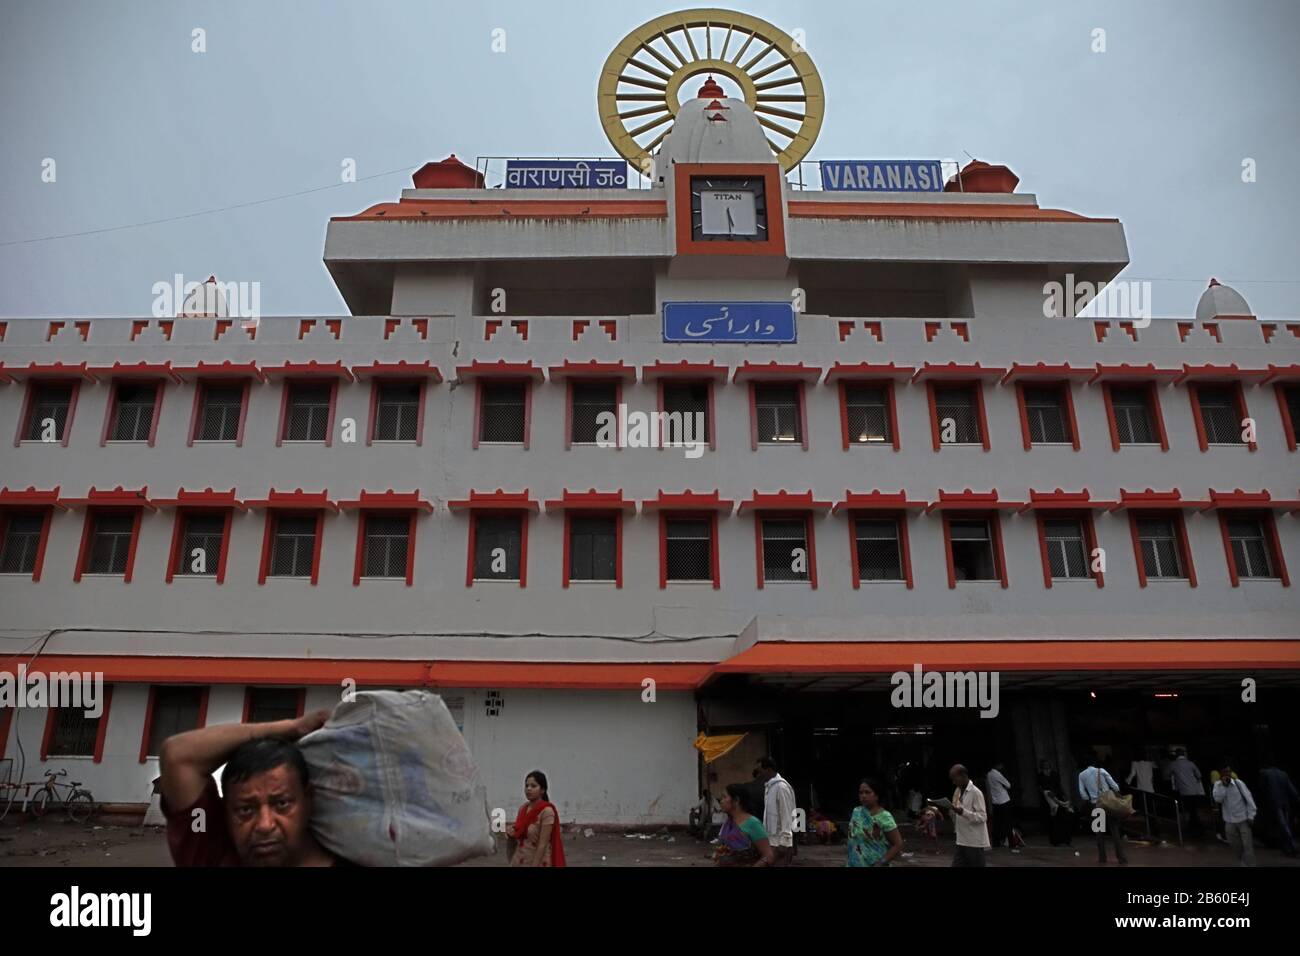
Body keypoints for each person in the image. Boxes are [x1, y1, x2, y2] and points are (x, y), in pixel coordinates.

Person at [158, 709, 344, 867]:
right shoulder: (210, 854)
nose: (265, 825)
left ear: (308, 799)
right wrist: (291, 727)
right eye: (245, 809)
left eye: (282, 804)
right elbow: (177, 755)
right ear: (226, 814)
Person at [923, 764, 989, 867]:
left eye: (955, 779)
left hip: (973, 842)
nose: (954, 782)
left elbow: (982, 817)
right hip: (961, 840)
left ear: (963, 775)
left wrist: (962, 812)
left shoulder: (976, 793)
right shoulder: (958, 791)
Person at [1077, 753, 1127, 864]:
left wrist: (1090, 799)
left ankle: (1102, 858)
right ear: (1093, 762)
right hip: (1108, 804)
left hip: (1096, 805)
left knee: (1099, 833)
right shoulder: (1101, 771)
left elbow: (1082, 793)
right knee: (1115, 831)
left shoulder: (1081, 775)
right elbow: (1115, 787)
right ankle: (1121, 857)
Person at [509, 770, 566, 867]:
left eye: (533, 786)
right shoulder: (523, 809)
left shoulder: (547, 812)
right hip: (519, 860)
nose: (528, 789)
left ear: (542, 790)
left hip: (538, 862)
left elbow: (542, 845)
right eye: (527, 786)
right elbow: (519, 834)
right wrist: (510, 833)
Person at [713, 782, 775, 866]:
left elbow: (768, 856)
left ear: (736, 800)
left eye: (724, 797)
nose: (721, 801)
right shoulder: (728, 822)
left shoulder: (753, 823)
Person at [847, 778, 903, 867]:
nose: (863, 796)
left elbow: (898, 844)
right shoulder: (856, 812)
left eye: (867, 792)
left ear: (877, 795)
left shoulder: (885, 817)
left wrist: (881, 863)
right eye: (861, 793)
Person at [1212, 763, 1257, 866]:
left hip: (1243, 819)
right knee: (1235, 844)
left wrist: (1251, 816)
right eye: (1224, 772)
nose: (1227, 774)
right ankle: (1243, 861)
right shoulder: (1218, 785)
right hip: (1229, 821)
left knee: (1247, 846)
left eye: (1228, 771)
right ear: (1220, 773)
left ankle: (1250, 865)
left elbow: (1249, 800)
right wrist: (1223, 786)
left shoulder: (1239, 784)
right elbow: (1218, 799)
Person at [755, 757, 797, 866]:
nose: (759, 775)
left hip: (781, 844)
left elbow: (787, 815)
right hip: (772, 842)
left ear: (768, 770)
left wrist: (784, 843)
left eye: (760, 771)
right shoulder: (770, 787)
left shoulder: (781, 787)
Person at [1257, 756, 1298, 856]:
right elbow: (1291, 789)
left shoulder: (1264, 773)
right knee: (1285, 824)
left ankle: (1291, 845)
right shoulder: (1283, 774)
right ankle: (1287, 846)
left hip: (1273, 802)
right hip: (1285, 802)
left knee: (1282, 825)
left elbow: (1261, 788)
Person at [1037, 759, 1073, 846]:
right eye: (1044, 765)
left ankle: (1065, 840)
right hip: (1048, 799)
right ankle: (1055, 841)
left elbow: (1059, 785)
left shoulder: (1054, 774)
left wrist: (1065, 795)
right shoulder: (1040, 776)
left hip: (1058, 796)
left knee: (1063, 818)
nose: (1047, 766)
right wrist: (1046, 794)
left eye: (1048, 764)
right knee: (1052, 821)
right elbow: (1040, 788)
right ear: (1042, 767)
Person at [1170, 749, 1205, 836]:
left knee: (1188, 811)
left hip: (1184, 792)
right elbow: (1199, 775)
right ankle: (1196, 828)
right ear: (1184, 754)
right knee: (1194, 810)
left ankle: (1192, 828)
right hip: (1195, 791)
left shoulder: (1173, 764)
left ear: (1176, 755)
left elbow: (1166, 774)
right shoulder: (1190, 763)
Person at [1127, 751, 1159, 836]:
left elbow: (1132, 774)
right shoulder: (1150, 763)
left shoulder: (1135, 763)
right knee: (1151, 809)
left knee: (1144, 809)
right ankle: (1154, 829)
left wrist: (1127, 782)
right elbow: (1156, 767)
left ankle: (1150, 828)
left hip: (1141, 789)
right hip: (1150, 789)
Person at [986, 760, 1013, 848]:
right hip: (1004, 800)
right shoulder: (997, 774)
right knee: (1007, 822)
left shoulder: (989, 774)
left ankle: (996, 842)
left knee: (997, 822)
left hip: (995, 801)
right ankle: (1011, 843)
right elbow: (1008, 785)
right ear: (997, 765)